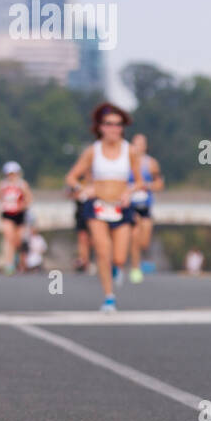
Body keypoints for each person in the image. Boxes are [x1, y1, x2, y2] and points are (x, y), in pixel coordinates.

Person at [64, 102, 144, 312]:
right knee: (102, 251)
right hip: (97, 205)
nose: (113, 129)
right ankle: (109, 297)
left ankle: (117, 269)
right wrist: (84, 189)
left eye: (118, 125)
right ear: (100, 127)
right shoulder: (93, 151)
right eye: (109, 124)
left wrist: (129, 192)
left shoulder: (130, 151)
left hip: (121, 206)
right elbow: (71, 177)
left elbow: (139, 181)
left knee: (119, 256)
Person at [126, 133, 165, 283]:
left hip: (146, 205)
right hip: (130, 205)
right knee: (134, 237)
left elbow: (159, 183)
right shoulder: (126, 163)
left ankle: (136, 260)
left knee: (144, 241)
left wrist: (146, 185)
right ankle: (135, 268)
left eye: (141, 144)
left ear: (145, 146)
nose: (138, 147)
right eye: (135, 143)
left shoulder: (151, 163)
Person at [0, 161, 33, 276]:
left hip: (19, 214)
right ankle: (8, 264)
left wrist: (22, 206)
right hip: (7, 214)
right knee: (8, 238)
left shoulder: (22, 185)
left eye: (13, 173)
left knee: (17, 240)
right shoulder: (2, 185)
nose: (11, 176)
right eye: (9, 174)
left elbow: (29, 198)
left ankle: (18, 259)